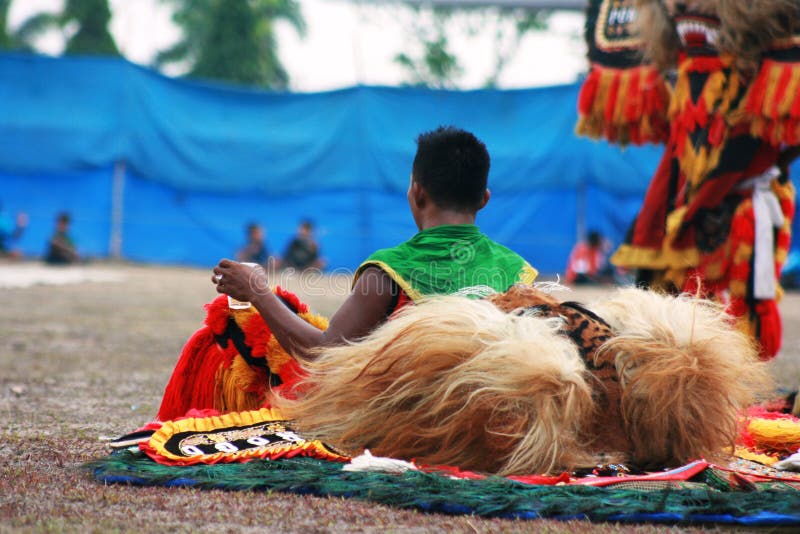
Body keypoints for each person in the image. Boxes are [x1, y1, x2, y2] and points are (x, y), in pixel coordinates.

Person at [576, 0, 798, 359]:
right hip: (685, 173)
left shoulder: (758, 54)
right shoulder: (678, 54)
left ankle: (724, 377)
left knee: (737, 301)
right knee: (656, 273)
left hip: (740, 186)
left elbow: (767, 129)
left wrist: (716, 192)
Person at [211, 126, 538, 361]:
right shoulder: (520, 274)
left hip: (409, 431)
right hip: (498, 430)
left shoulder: (388, 271)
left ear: (417, 193)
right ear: (484, 199)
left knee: (240, 354)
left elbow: (325, 355)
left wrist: (258, 292)